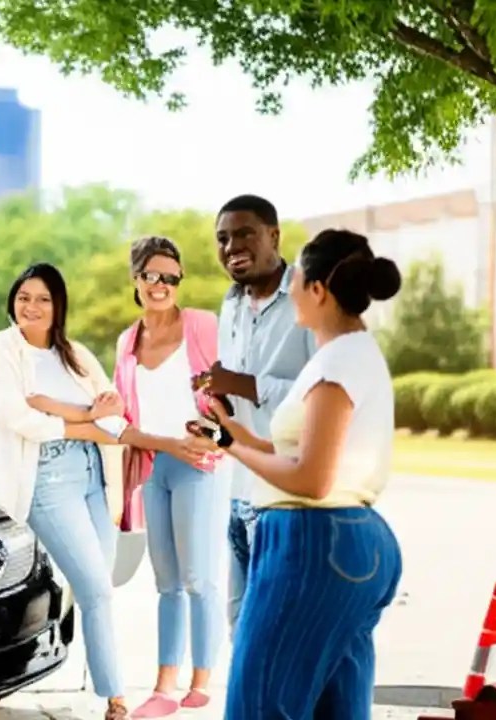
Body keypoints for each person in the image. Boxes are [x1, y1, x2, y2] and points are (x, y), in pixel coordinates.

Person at [202, 229, 404, 720]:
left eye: (296, 280)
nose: (289, 289)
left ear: (317, 289)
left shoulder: (335, 364)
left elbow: (310, 478)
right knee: (337, 708)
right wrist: (232, 433)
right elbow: (294, 453)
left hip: (312, 544)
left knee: (259, 706)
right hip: (354, 545)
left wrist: (231, 447)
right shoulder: (355, 354)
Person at [0, 262, 130, 720]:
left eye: (43, 298)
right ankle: (114, 697)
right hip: (45, 478)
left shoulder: (77, 354)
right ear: (13, 301)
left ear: (58, 305)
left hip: (94, 475)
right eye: (24, 297)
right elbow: (17, 417)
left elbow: (115, 415)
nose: (32, 306)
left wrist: (59, 411)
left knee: (96, 588)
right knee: (98, 590)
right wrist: (87, 420)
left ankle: (90, 684)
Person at [111, 237, 226, 717]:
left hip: (200, 464)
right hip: (154, 467)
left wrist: (216, 433)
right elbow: (123, 418)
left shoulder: (201, 325)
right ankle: (164, 685)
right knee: (167, 583)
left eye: (171, 277)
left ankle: (201, 682)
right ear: (137, 279)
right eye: (152, 276)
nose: (161, 285)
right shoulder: (127, 341)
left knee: (199, 577)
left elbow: (232, 389)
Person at [201, 194, 316, 633]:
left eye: (245, 233)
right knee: (240, 628)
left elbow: (324, 397)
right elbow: (236, 385)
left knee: (279, 630)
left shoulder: (310, 299)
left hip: (285, 498)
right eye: (223, 238)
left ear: (274, 235)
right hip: (239, 491)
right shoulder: (230, 304)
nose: (232, 246)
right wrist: (220, 407)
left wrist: (243, 385)